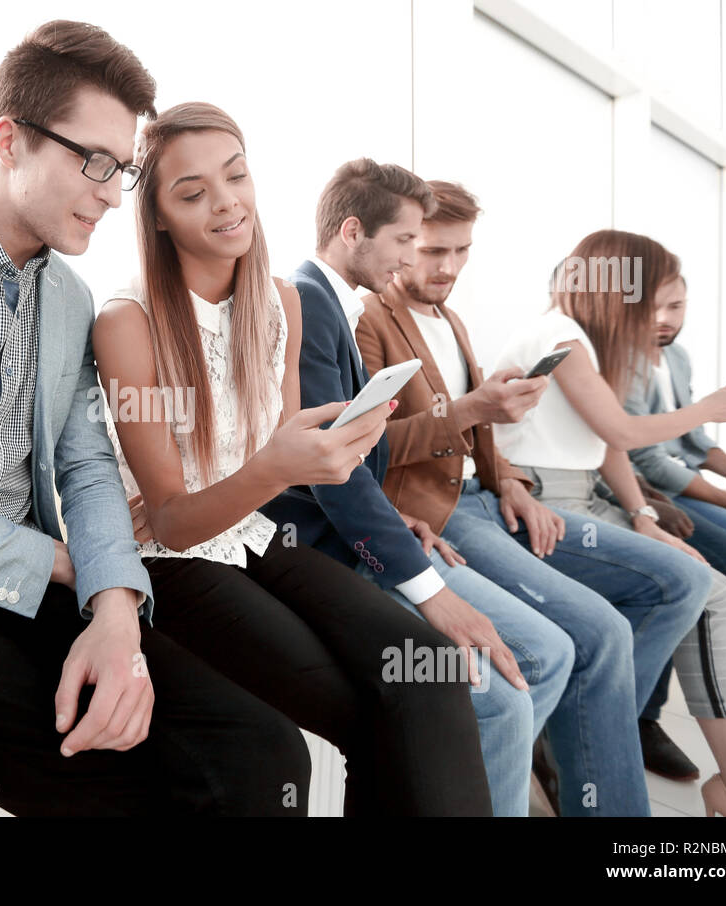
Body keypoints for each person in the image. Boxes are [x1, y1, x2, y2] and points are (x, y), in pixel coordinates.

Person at [0, 23, 312, 817]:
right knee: (130, 778)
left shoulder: (70, 301)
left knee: (265, 749)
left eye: (123, 170)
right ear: (10, 140)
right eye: (94, 162)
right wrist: (64, 567)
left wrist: (114, 610)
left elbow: (88, 469)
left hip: (25, 588)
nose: (112, 191)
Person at [95, 104, 493, 816]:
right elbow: (173, 522)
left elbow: (281, 451)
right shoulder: (128, 323)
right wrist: (283, 464)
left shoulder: (279, 300)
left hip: (254, 536)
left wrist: (340, 448)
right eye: (192, 193)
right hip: (171, 562)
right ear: (157, 217)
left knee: (429, 674)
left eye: (236, 176)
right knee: (367, 706)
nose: (226, 203)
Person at [356, 179, 710, 815]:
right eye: (433, 250)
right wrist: (473, 411)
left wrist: (511, 481)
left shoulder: (449, 319)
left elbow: (476, 426)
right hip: (437, 518)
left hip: (488, 500)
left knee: (622, 618)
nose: (449, 267)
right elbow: (364, 444)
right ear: (403, 242)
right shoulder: (372, 318)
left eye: (461, 251)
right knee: (576, 640)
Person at [241, 160, 573, 816]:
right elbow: (330, 471)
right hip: (318, 548)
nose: (410, 256)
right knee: (506, 696)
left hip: (362, 529)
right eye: (404, 240)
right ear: (352, 230)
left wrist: (399, 515)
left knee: (541, 660)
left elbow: (363, 458)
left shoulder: (331, 306)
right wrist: (429, 585)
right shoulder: (307, 302)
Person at [495, 228, 726, 816]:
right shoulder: (560, 337)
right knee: (706, 593)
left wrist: (644, 515)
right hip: (547, 499)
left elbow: (607, 449)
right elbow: (623, 434)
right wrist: (712, 406)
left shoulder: (583, 341)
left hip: (583, 496)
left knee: (725, 599)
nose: (659, 314)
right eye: (653, 297)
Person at [626, 272, 726, 774]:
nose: (664, 319)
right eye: (654, 307)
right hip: (646, 487)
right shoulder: (620, 362)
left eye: (676, 306)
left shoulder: (675, 356)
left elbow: (690, 440)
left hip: (679, 479)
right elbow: (651, 462)